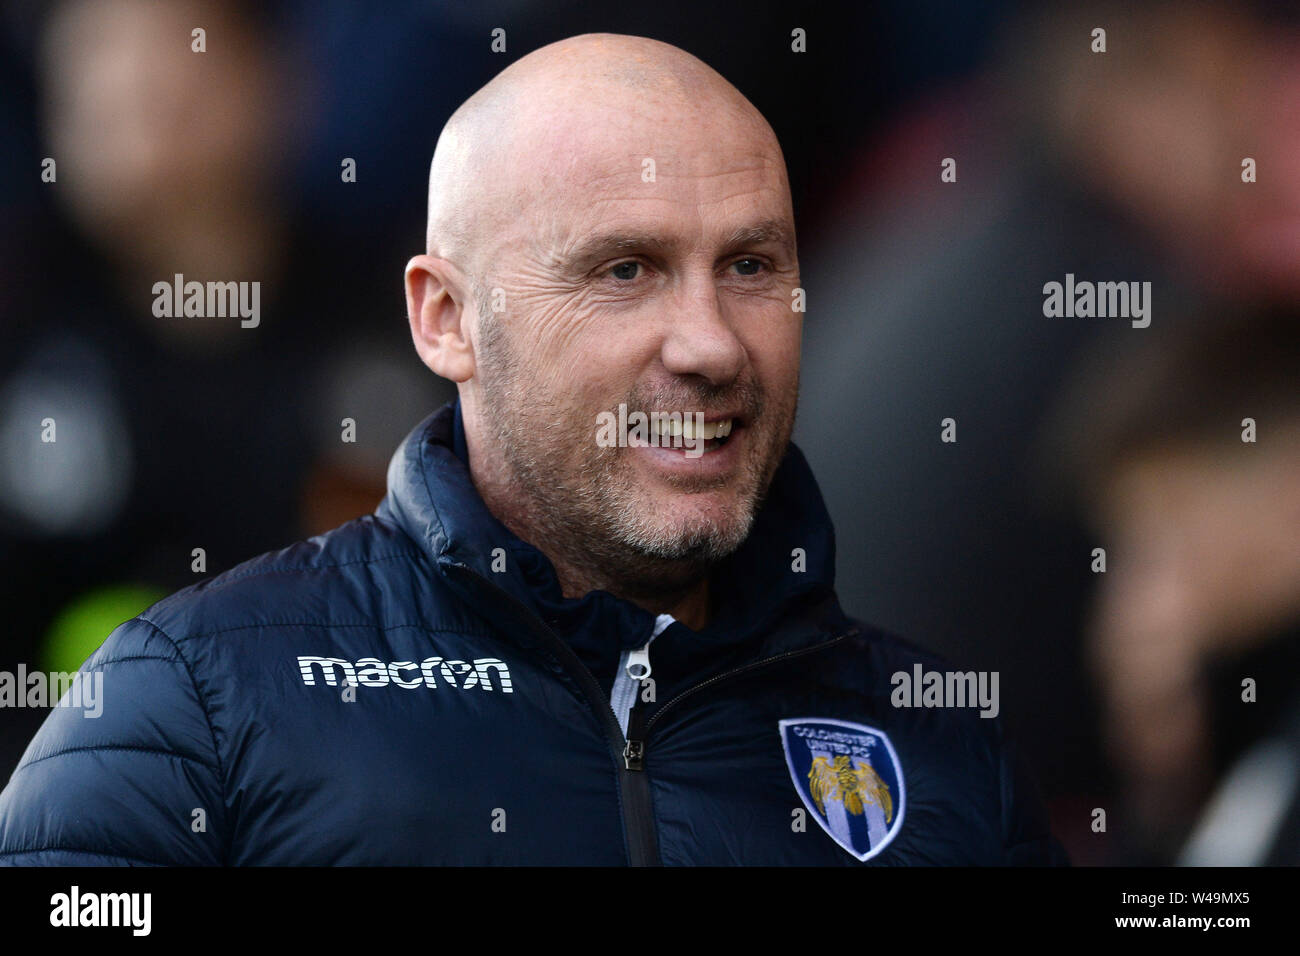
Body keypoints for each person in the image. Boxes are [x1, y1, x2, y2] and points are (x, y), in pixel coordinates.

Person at [0, 33, 1064, 865]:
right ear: (446, 320)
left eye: (747, 265)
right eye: (623, 271)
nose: (707, 342)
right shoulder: (193, 706)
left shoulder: (939, 749)